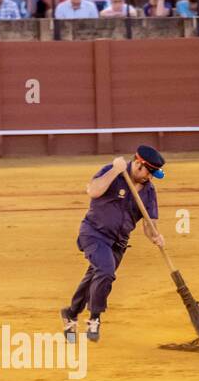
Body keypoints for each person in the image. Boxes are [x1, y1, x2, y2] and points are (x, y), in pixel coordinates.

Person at [60, 146, 168, 342]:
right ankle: (95, 318)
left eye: (153, 174)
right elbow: (93, 191)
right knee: (106, 271)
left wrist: (156, 236)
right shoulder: (112, 172)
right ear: (137, 164)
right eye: (149, 172)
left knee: (95, 276)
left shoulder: (149, 191)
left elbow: (148, 223)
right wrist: (114, 170)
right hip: (94, 233)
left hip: (118, 243)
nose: (150, 178)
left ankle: (71, 313)